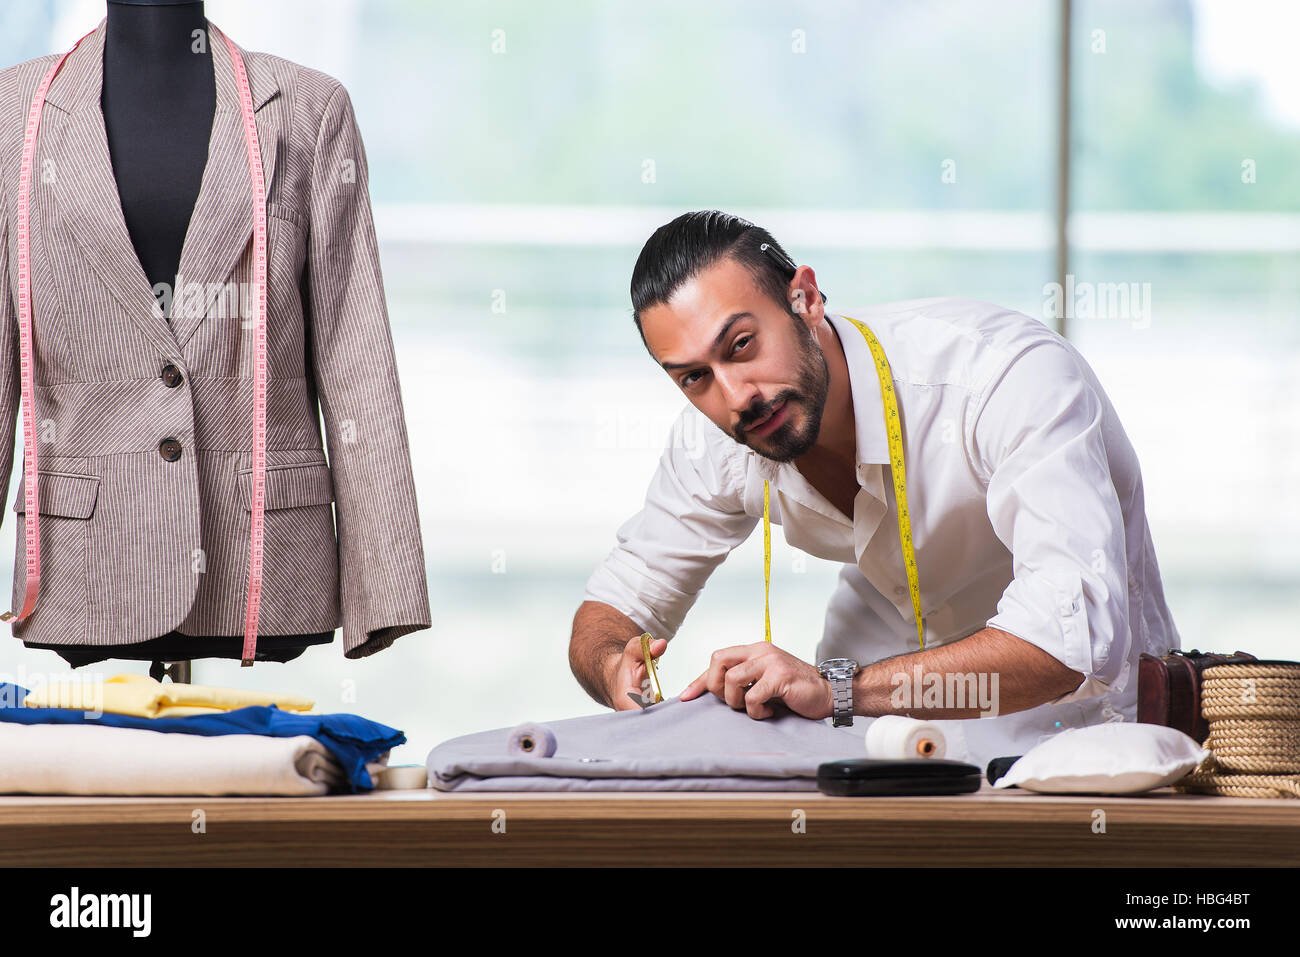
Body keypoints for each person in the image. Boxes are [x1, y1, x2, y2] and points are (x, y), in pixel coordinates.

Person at [569, 210, 1179, 758]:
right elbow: (613, 607)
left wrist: (837, 687)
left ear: (805, 298)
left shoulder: (1002, 376)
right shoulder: (719, 435)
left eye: (743, 345)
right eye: (694, 377)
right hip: (889, 739)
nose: (736, 397)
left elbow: (1070, 644)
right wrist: (614, 666)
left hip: (1082, 742)